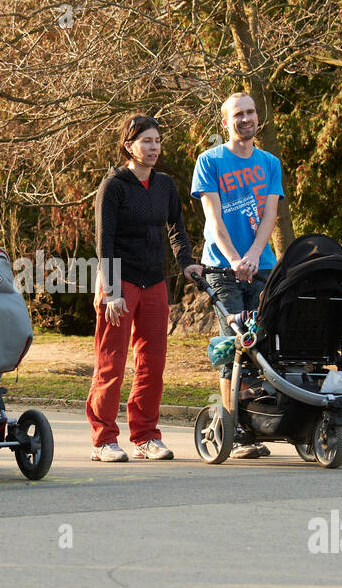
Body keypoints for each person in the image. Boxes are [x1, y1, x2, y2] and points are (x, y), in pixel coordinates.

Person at [87, 114, 201, 461]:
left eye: (157, 141)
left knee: (153, 362)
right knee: (112, 360)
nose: (153, 148)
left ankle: (146, 436)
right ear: (128, 146)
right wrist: (112, 291)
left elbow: (177, 231)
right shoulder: (114, 186)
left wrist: (187, 264)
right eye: (146, 141)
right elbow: (104, 242)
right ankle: (103, 439)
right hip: (119, 279)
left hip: (154, 281)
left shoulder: (164, 185)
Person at [191, 92, 285, 459]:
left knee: (262, 341)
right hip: (222, 267)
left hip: (261, 265)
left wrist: (253, 256)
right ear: (225, 121)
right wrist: (234, 259)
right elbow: (213, 219)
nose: (245, 119)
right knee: (234, 341)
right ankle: (235, 429)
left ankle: (259, 419)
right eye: (238, 114)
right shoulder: (210, 161)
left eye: (250, 113)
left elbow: (270, 217)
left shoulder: (270, 163)